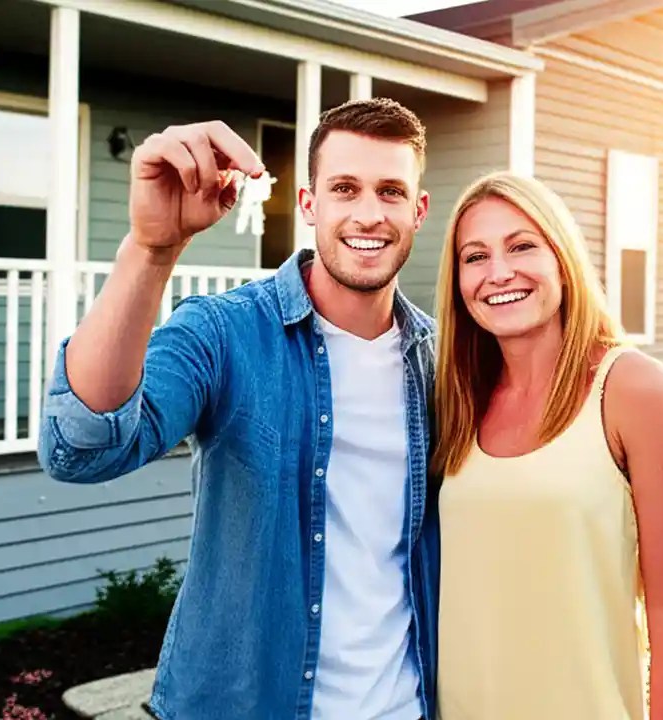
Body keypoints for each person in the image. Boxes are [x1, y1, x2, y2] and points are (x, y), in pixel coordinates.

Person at [37, 98, 441, 720]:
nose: (368, 213)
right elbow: (82, 447)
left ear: (417, 210)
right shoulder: (225, 334)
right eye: (344, 188)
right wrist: (151, 250)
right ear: (309, 205)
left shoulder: (444, 363)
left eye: (390, 191)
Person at [430, 171, 663, 719]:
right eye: (475, 256)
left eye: (522, 246)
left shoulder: (632, 388)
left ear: (562, 258)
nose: (498, 272)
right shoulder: (457, 400)